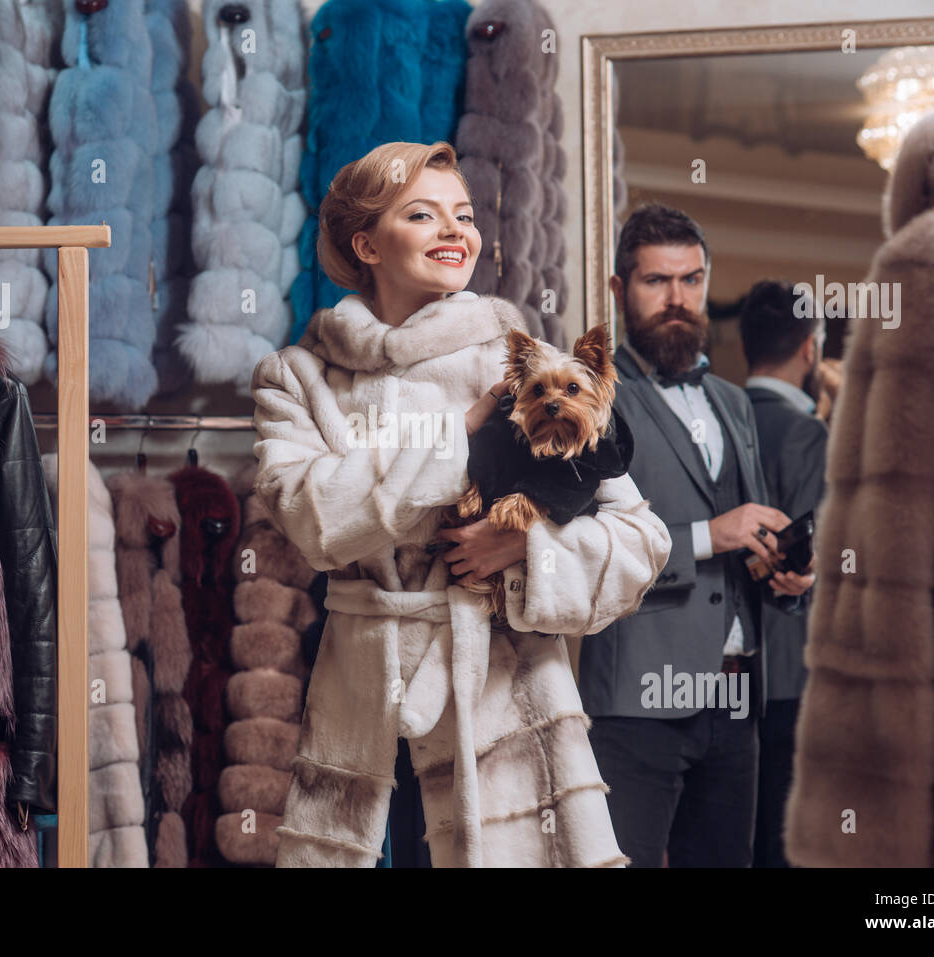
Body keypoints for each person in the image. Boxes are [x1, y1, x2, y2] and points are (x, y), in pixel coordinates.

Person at [249, 141, 671, 867]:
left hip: (507, 703)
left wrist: (524, 550)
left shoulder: (531, 365)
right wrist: (461, 435)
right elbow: (312, 519)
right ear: (365, 242)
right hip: (361, 713)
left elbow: (641, 542)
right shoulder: (298, 376)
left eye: (465, 216)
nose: (456, 233)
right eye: (423, 214)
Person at [580, 203, 814, 868]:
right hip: (637, 700)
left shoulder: (734, 402)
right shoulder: (593, 397)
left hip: (736, 701)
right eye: (658, 282)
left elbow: (752, 528)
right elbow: (585, 549)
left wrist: (788, 576)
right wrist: (712, 534)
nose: (677, 299)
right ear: (621, 291)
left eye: (692, 280)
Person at [738, 279, 829, 867]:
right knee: (785, 840)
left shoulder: (723, 412)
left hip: (718, 673)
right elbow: (813, 556)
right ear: (810, 348)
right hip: (792, 670)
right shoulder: (810, 433)